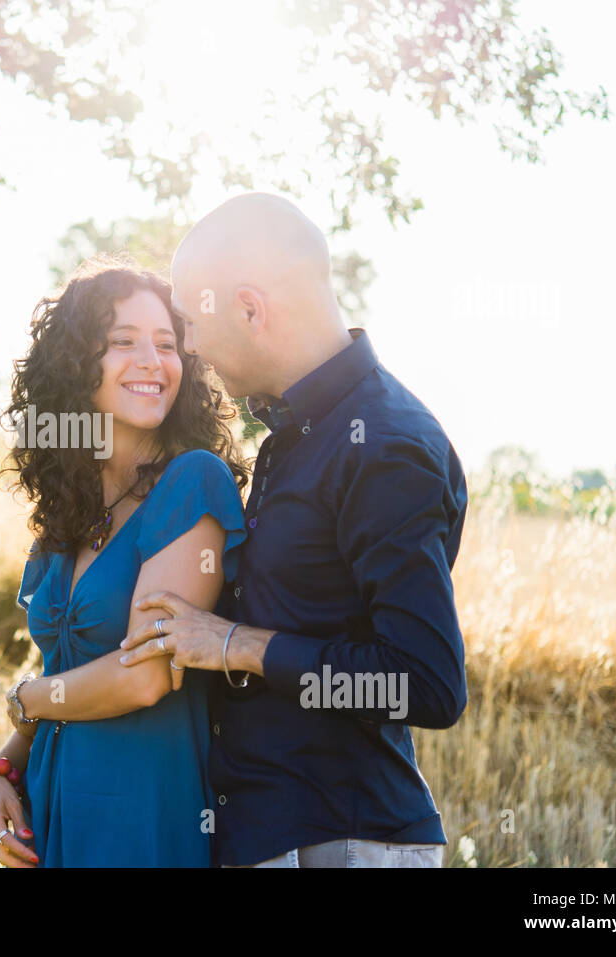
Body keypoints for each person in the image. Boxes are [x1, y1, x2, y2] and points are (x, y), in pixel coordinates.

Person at [120, 192, 468, 867]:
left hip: (340, 838)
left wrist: (236, 644)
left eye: (190, 323)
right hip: (267, 831)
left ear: (250, 308)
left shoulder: (384, 443)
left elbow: (424, 682)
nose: (187, 347)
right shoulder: (293, 432)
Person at [0, 259, 248, 866]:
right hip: (57, 808)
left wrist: (25, 697)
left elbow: (143, 675)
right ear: (74, 365)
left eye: (167, 344)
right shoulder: (69, 511)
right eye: (124, 341)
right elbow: (68, 675)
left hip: (145, 815)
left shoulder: (192, 484)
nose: (152, 360)